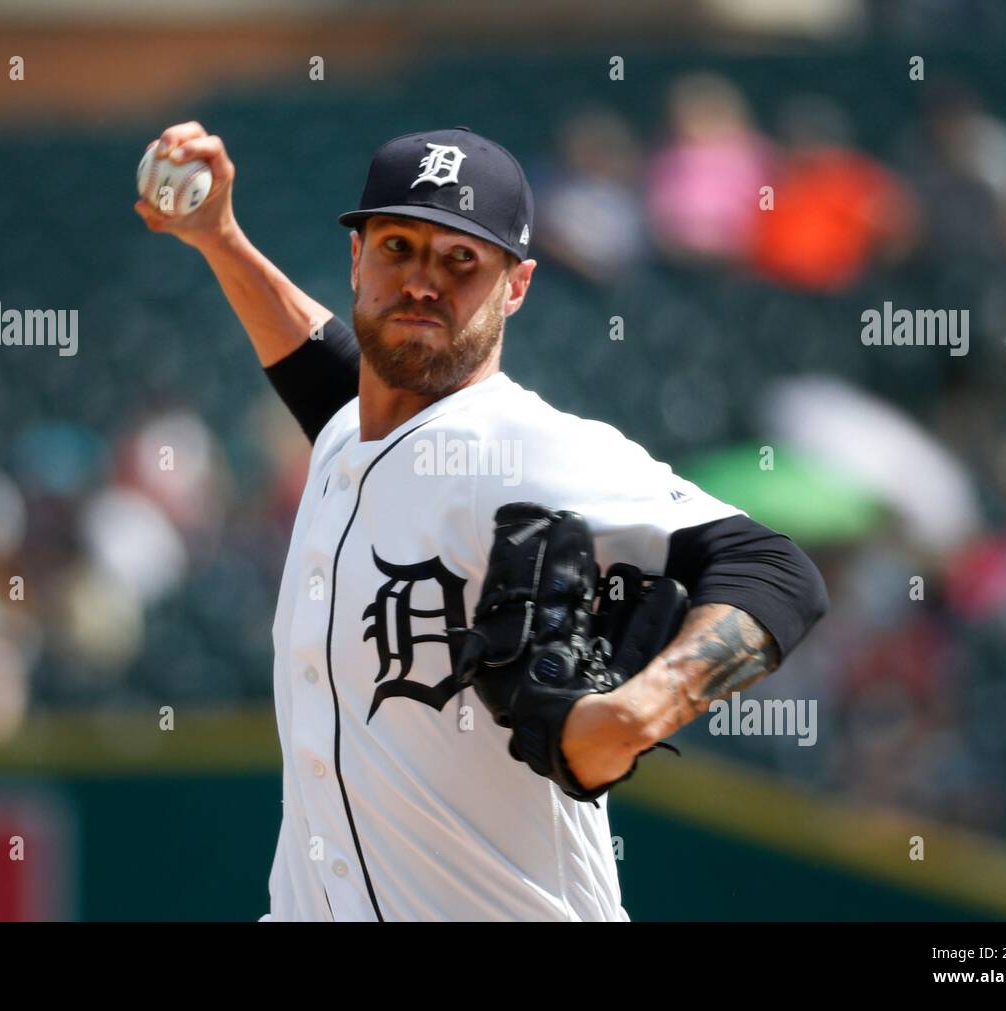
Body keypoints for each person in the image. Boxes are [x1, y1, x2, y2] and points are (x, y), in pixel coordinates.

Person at [136, 123, 829, 921]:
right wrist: (219, 237)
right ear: (357, 260)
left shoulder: (522, 447)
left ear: (517, 285)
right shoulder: (350, 431)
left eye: (461, 259)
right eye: (398, 247)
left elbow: (777, 570)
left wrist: (636, 713)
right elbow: (320, 361)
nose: (423, 283)